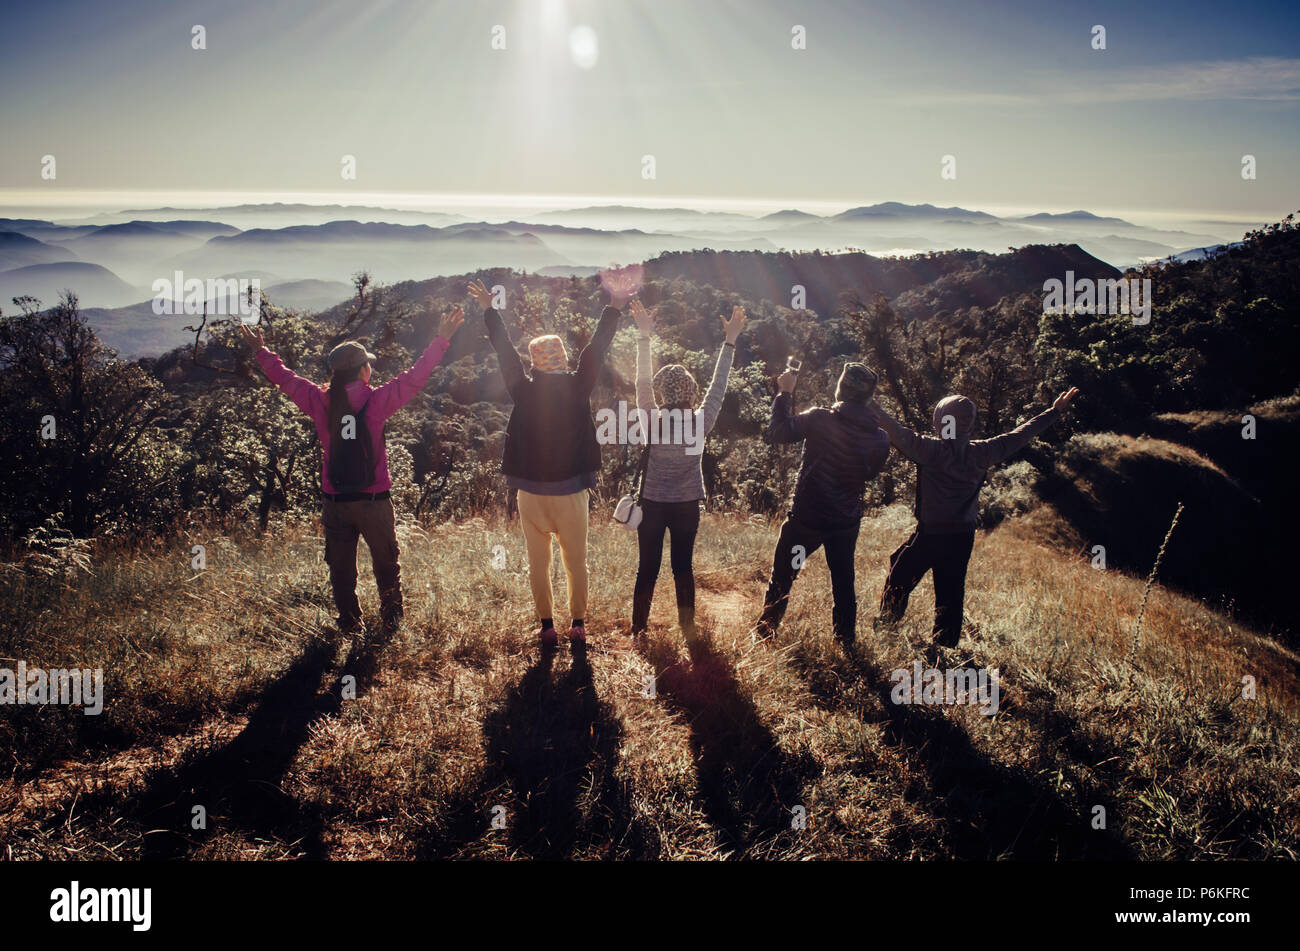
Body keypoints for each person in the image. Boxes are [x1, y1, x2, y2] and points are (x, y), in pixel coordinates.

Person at [239, 308, 465, 635]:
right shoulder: (377, 402)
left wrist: (262, 352)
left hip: (335, 502)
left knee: (342, 570)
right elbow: (415, 377)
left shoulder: (319, 401)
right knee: (387, 566)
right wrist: (442, 339)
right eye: (368, 364)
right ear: (363, 371)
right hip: (374, 501)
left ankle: (349, 625)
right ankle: (391, 623)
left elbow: (286, 380)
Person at [467, 277, 623, 650]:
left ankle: (547, 626)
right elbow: (596, 349)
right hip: (571, 494)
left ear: (535, 363)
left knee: (539, 564)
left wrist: (491, 311)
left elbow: (504, 352)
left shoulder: (522, 390)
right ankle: (579, 624)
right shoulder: (578, 385)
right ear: (563, 359)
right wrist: (613, 307)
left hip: (531, 496)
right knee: (575, 563)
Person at [871, 386, 1080, 652]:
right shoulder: (984, 451)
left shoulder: (929, 449)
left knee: (900, 577)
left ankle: (886, 631)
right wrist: (1053, 412)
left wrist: (868, 401)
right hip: (961, 537)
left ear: (940, 419)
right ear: (968, 423)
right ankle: (945, 647)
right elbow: (1022, 434)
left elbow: (894, 429)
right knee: (950, 591)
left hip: (931, 534)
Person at [628, 298, 746, 639]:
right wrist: (730, 341)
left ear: (661, 393)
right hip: (686, 505)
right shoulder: (701, 421)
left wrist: (645, 336)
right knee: (683, 567)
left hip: (651, 502)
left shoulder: (651, 419)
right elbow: (718, 386)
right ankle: (688, 627)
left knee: (647, 568)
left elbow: (641, 382)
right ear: (692, 391)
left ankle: (638, 629)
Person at [756, 361, 891, 646]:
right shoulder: (880, 439)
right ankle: (845, 642)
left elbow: (777, 433)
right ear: (868, 399)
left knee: (784, 575)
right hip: (845, 522)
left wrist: (784, 393)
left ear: (840, 389)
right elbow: (869, 472)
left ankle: (765, 635)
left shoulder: (819, 419)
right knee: (843, 581)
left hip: (807, 520)